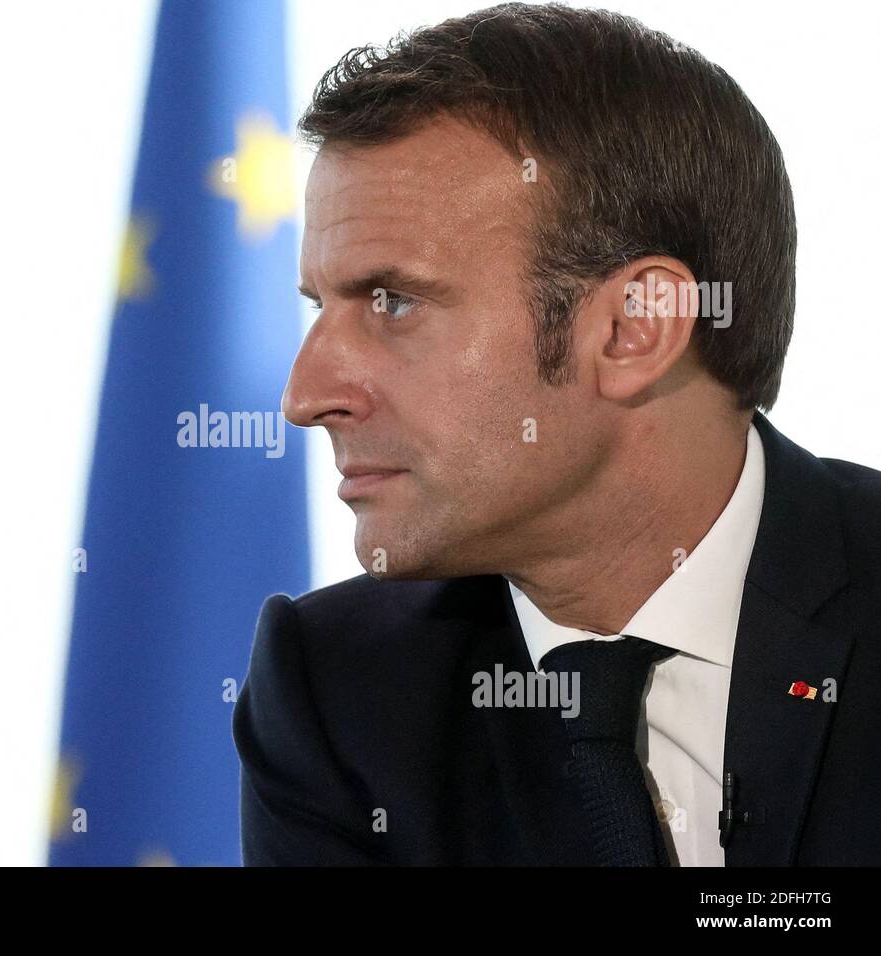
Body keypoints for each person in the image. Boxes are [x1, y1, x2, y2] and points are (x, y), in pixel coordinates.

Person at [232, 1, 881, 866]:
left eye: (392, 301)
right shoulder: (336, 694)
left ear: (634, 329)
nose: (305, 397)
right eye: (322, 307)